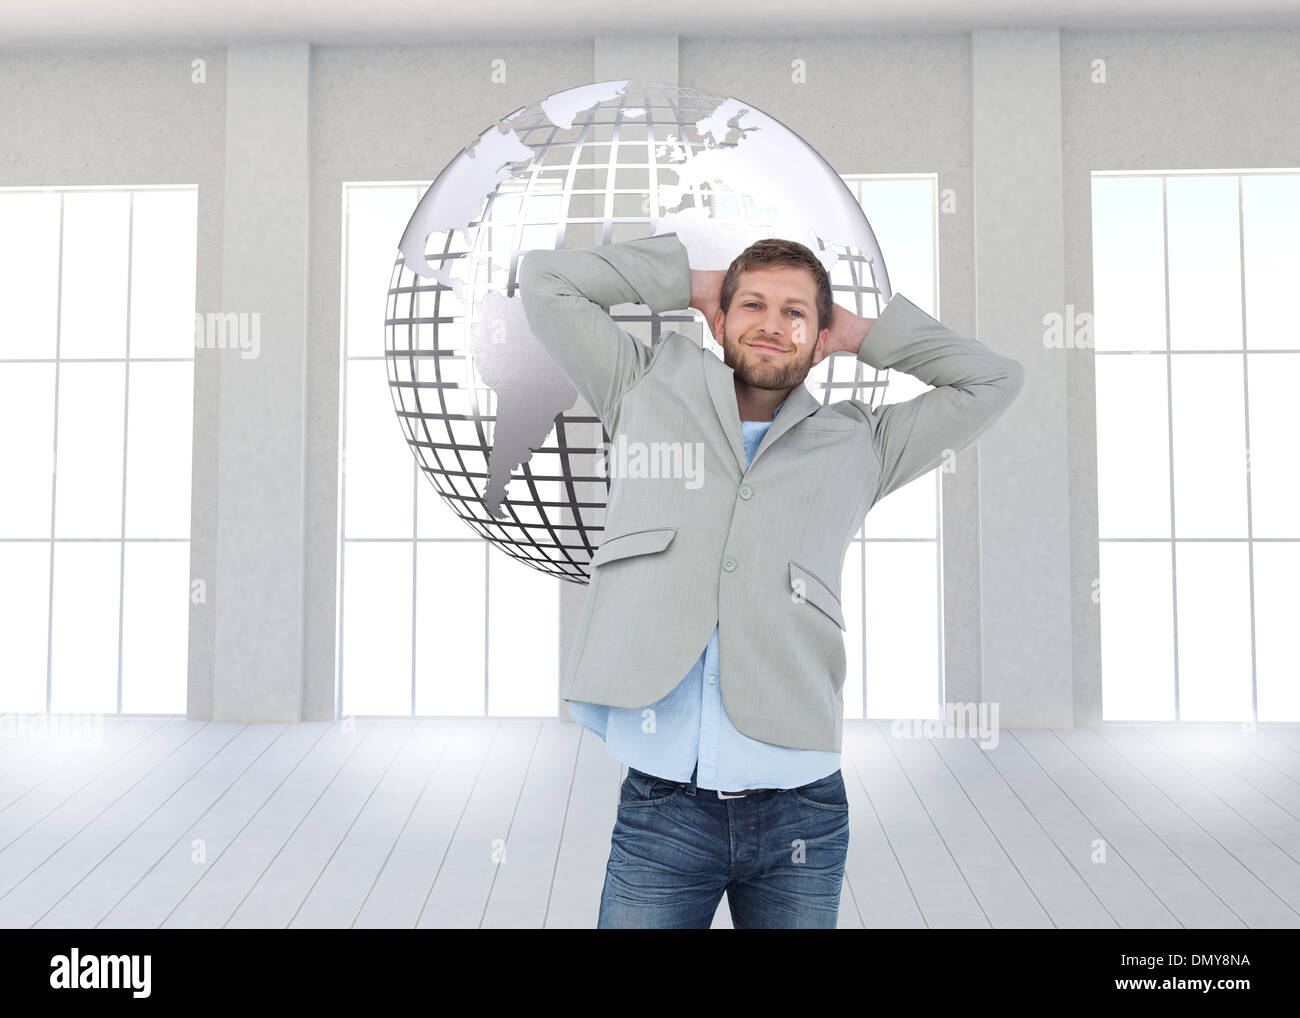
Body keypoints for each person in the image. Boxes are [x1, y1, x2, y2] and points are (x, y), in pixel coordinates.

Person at [518, 231, 1023, 928]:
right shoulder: (642, 385)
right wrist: (694, 284)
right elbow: (545, 279)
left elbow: (995, 381)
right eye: (752, 304)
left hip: (802, 812)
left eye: (795, 313)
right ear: (720, 321)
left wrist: (865, 332)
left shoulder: (863, 442)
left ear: (821, 340)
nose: (772, 323)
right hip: (663, 806)